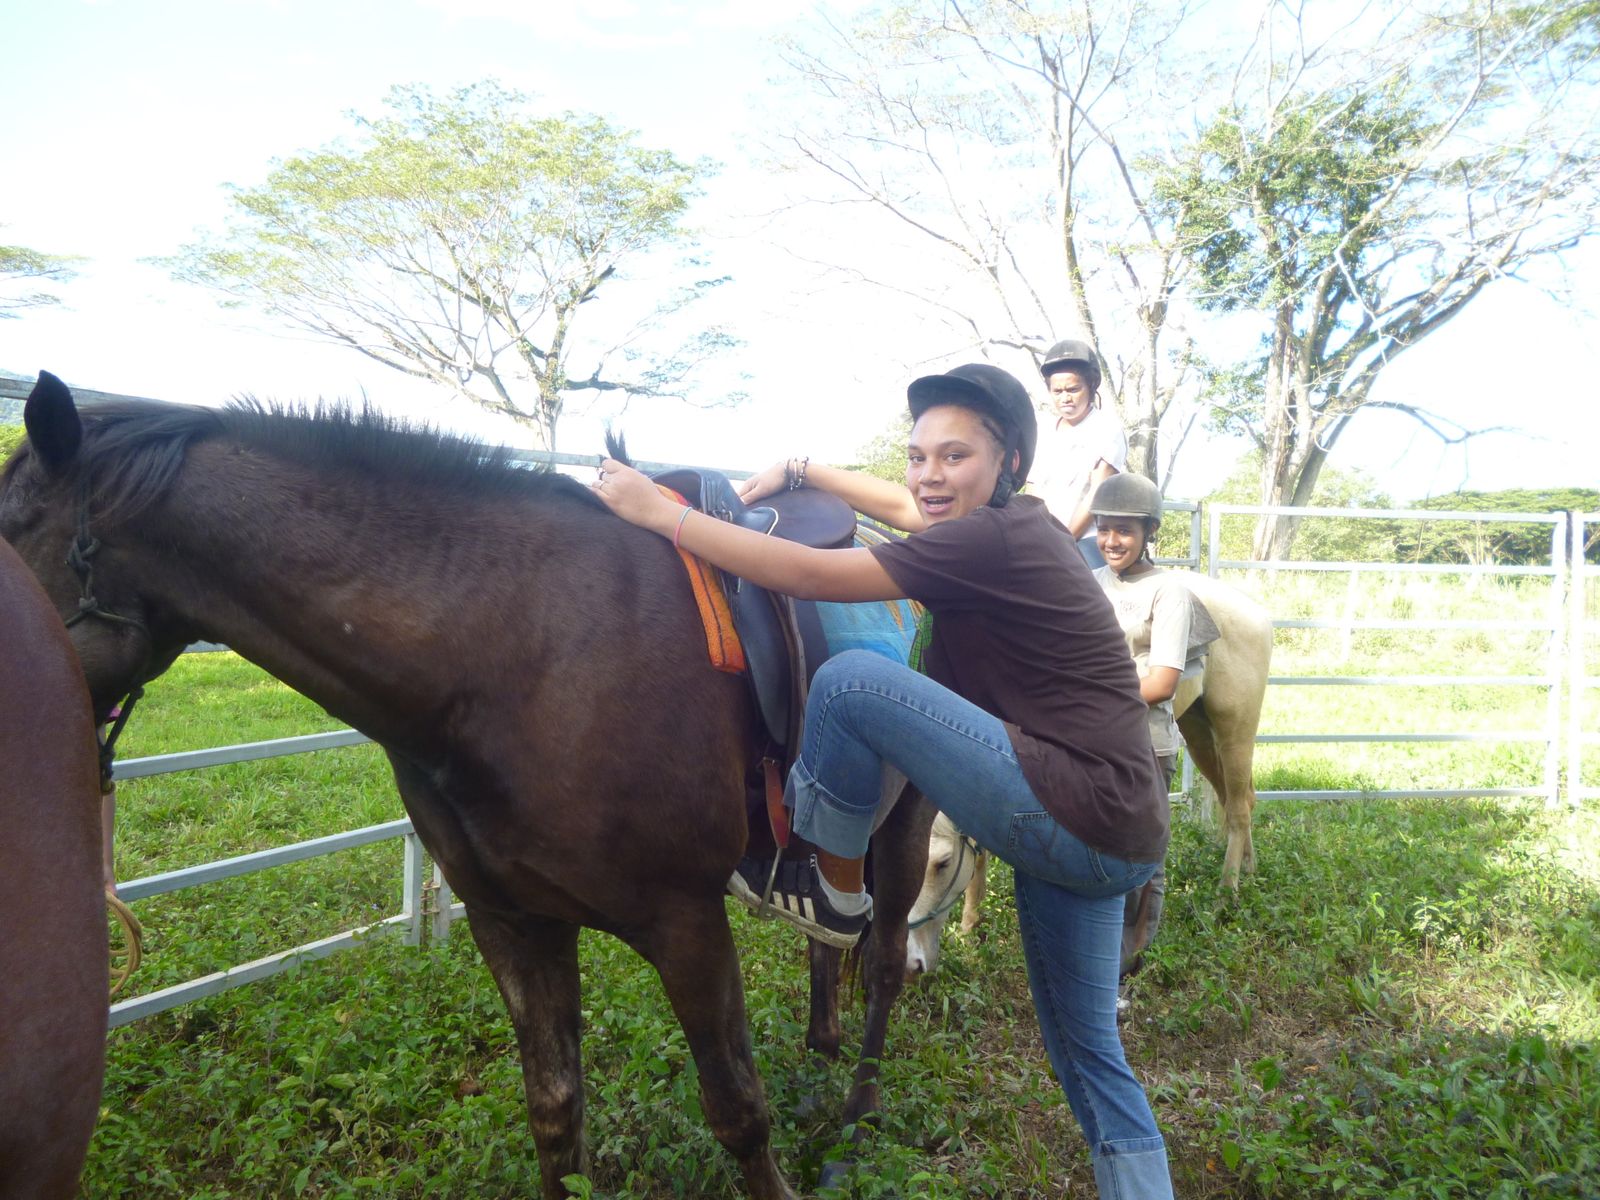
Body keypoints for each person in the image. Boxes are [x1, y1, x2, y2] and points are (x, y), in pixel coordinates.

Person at [591, 363, 1175, 1198]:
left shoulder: (989, 540)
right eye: (918, 456)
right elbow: (903, 508)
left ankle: (831, 886)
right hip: (1118, 834)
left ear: (1007, 463)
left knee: (853, 680)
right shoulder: (1022, 525)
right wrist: (802, 470)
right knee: (1090, 1060)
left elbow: (814, 575)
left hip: (1071, 808)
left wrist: (666, 516)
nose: (930, 477)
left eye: (955, 457)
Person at [1088, 473, 1218, 1003]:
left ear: (1149, 533)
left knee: (1140, 861)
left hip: (1143, 743)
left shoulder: (1170, 591)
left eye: (1124, 530)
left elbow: (1162, 681)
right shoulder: (1089, 583)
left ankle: (1122, 971)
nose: (1112, 540)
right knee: (1089, 850)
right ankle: (1089, 960)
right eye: (1104, 528)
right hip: (1089, 742)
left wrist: (1086, 694)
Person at [1028, 338, 1127, 568]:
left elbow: (1097, 493)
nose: (1065, 398)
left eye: (1073, 389)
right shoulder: (1043, 431)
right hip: (1043, 538)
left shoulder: (1106, 428)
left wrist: (1065, 540)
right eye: (1058, 391)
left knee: (1092, 589)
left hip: (1086, 536)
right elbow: (1032, 493)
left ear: (1091, 386)